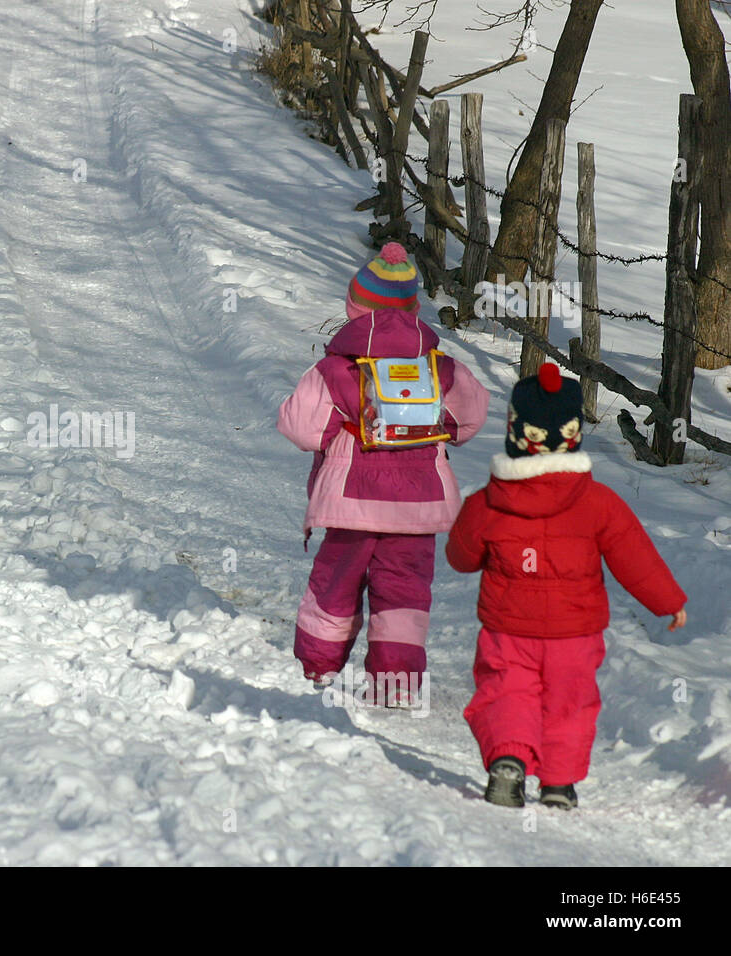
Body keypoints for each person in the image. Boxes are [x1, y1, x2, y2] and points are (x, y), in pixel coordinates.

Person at [446, 363, 687, 809]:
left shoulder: (488, 502)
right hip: (574, 635)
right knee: (569, 703)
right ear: (573, 433)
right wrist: (669, 601)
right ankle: (557, 784)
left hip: (507, 630)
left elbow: (460, 559)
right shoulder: (598, 502)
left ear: (517, 431)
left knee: (506, 691)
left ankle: (509, 761)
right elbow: (633, 557)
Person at [276, 242, 489, 703]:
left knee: (336, 580)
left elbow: (301, 428)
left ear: (355, 309)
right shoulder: (440, 368)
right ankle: (395, 682)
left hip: (351, 503)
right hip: (418, 506)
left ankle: (318, 667)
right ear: (414, 309)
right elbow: (469, 420)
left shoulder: (336, 369)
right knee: (404, 591)